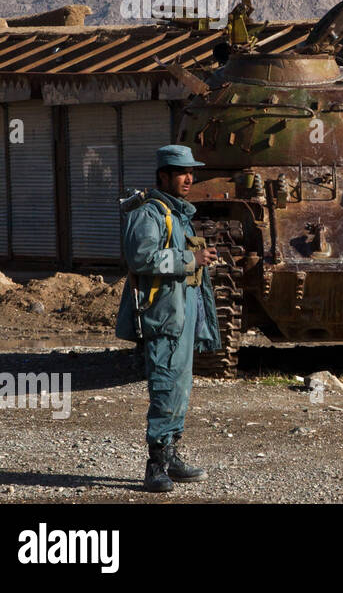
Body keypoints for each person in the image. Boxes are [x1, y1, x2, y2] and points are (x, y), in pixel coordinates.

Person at [115, 144, 221, 492]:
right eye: (180, 172)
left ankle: (171, 456)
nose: (188, 178)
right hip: (163, 316)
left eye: (191, 172)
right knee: (165, 387)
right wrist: (191, 260)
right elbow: (141, 258)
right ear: (164, 175)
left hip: (182, 314)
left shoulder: (178, 214)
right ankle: (155, 464)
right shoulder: (150, 213)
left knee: (179, 387)